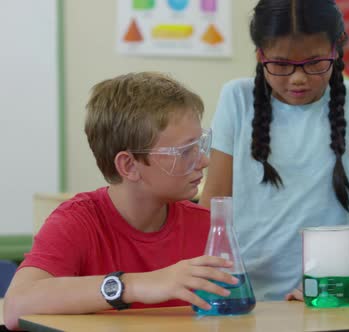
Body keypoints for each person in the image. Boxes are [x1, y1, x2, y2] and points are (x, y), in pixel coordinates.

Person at [3, 72, 238, 330]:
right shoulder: (77, 221)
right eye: (184, 152)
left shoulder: (203, 225)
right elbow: (17, 305)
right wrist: (134, 285)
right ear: (129, 165)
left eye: (200, 144)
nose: (204, 161)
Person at [200, 0, 349, 301]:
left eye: (314, 63)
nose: (298, 78)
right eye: (281, 65)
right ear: (261, 55)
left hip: (327, 292)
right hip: (244, 293)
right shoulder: (238, 98)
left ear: (335, 50)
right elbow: (213, 207)